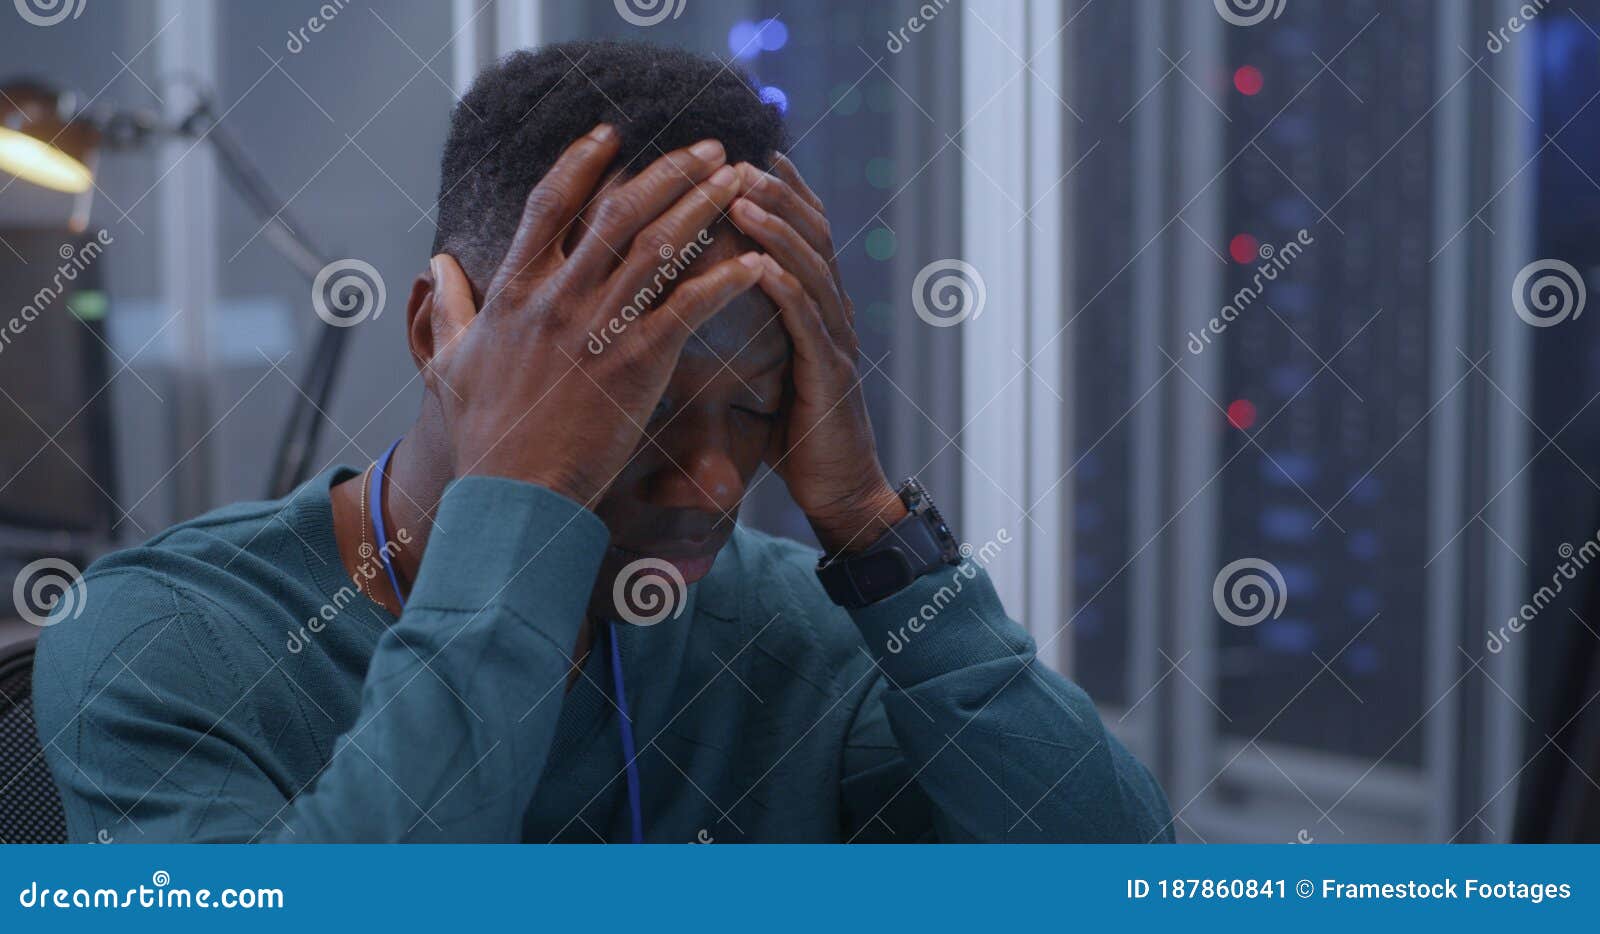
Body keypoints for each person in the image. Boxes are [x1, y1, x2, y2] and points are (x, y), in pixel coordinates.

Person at [33, 40, 1173, 843]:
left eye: (757, 405)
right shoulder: (169, 638)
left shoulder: (796, 632)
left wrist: (874, 528)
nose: (721, 480)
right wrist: (524, 508)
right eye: (637, 404)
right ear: (441, 332)